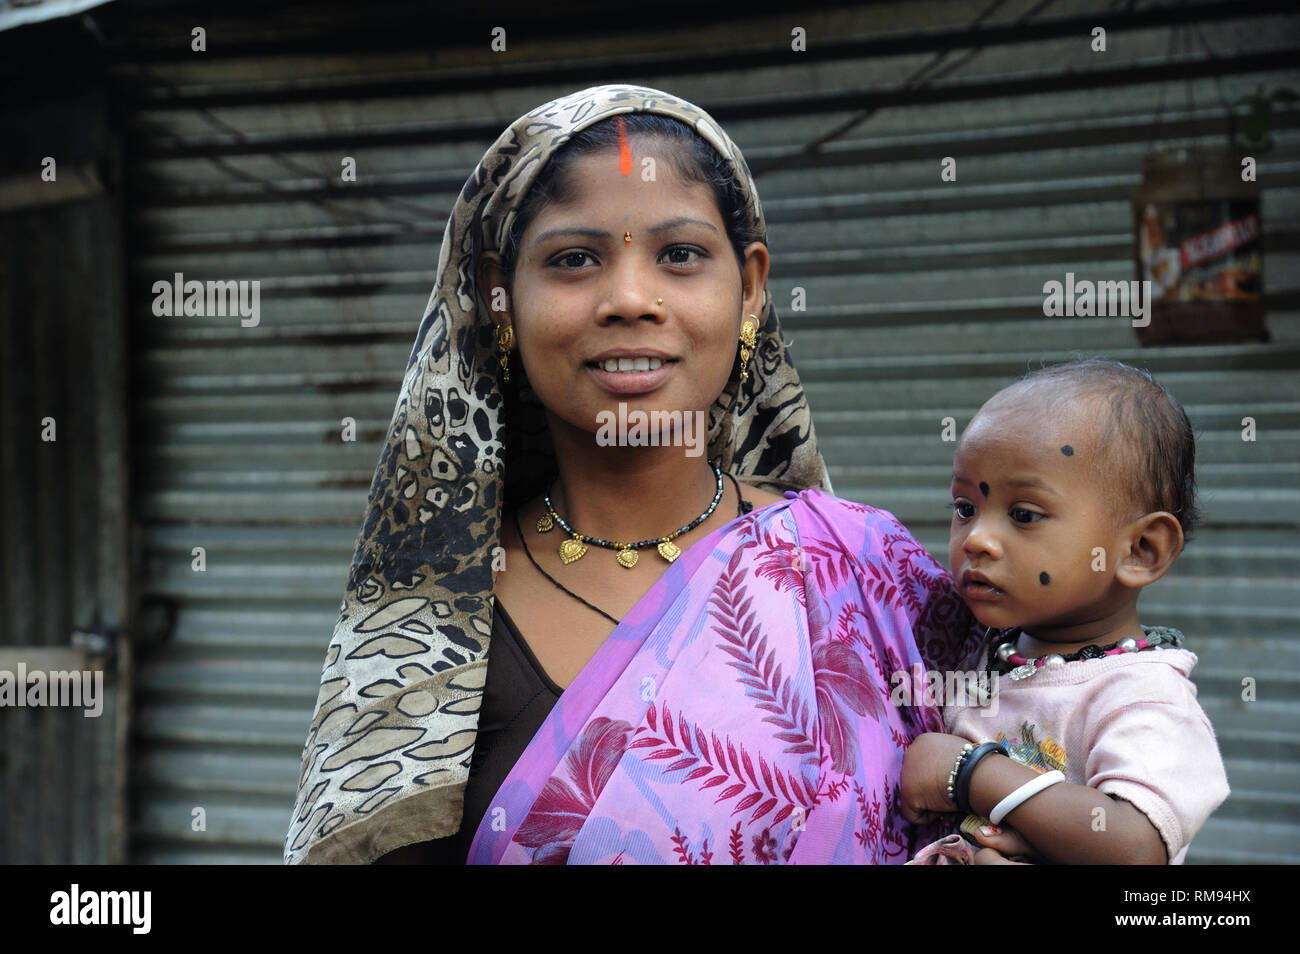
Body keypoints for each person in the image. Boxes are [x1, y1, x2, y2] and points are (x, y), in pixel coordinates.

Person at [284, 84, 981, 865]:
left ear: (750, 288)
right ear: (500, 296)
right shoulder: (430, 625)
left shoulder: (864, 572)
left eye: (680, 255)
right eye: (574, 260)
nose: (630, 300)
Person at [900, 359, 1230, 864]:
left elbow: (1136, 844)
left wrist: (967, 773)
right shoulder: (979, 650)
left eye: (1024, 515)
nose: (977, 540)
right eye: (965, 508)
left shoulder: (1142, 696)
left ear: (1140, 549)